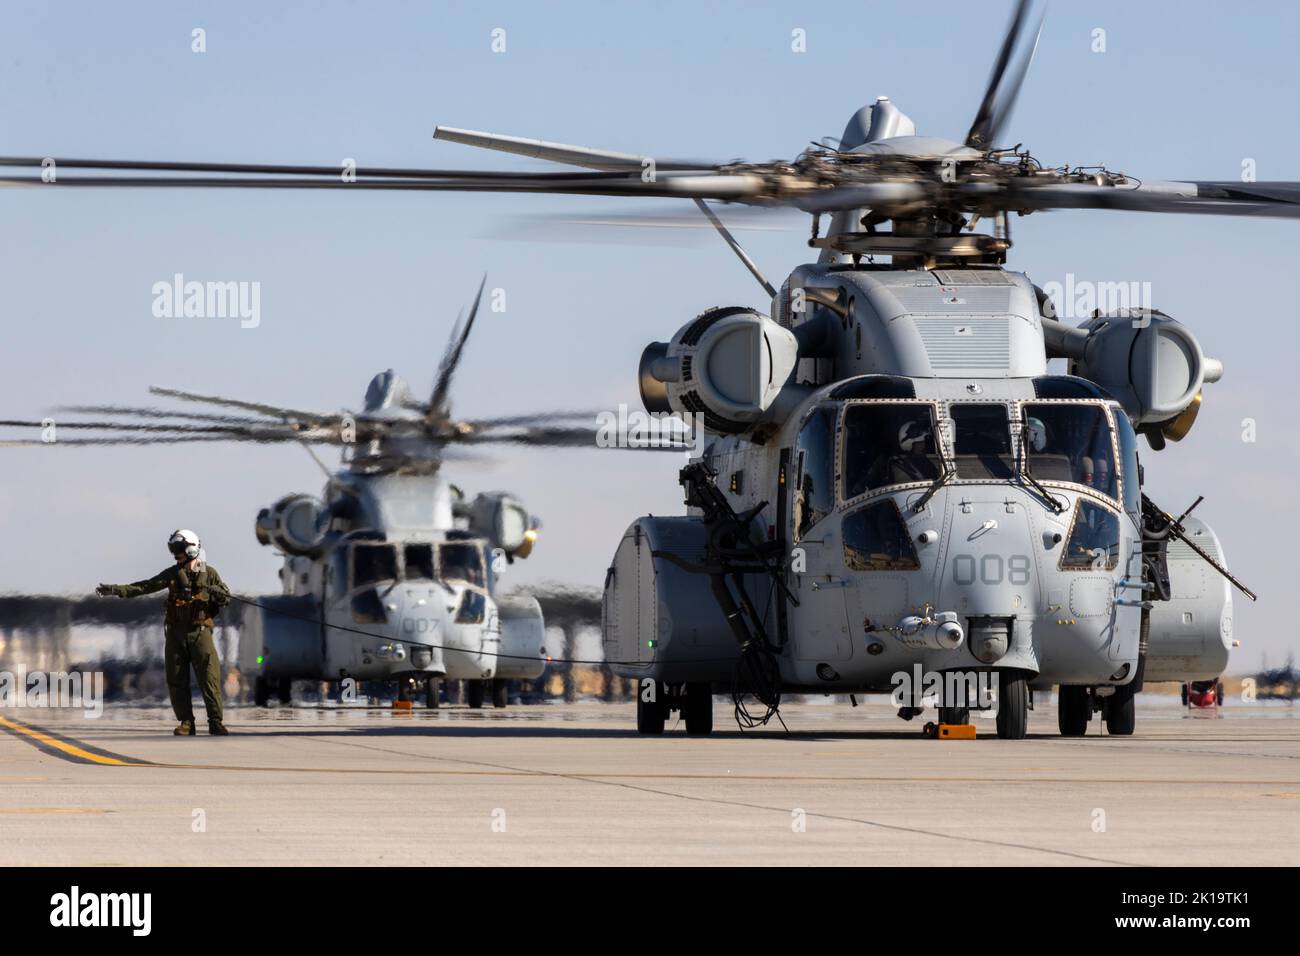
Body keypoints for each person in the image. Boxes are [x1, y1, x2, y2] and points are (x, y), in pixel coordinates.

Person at [97, 529, 231, 736]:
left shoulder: (210, 574)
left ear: (191, 549)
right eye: (174, 550)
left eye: (179, 550)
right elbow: (145, 587)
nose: (176, 555)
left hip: (200, 632)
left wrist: (217, 593)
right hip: (176, 634)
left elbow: (226, 598)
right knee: (176, 679)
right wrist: (116, 590)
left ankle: (215, 721)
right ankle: (187, 722)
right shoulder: (172, 574)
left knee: (209, 677)